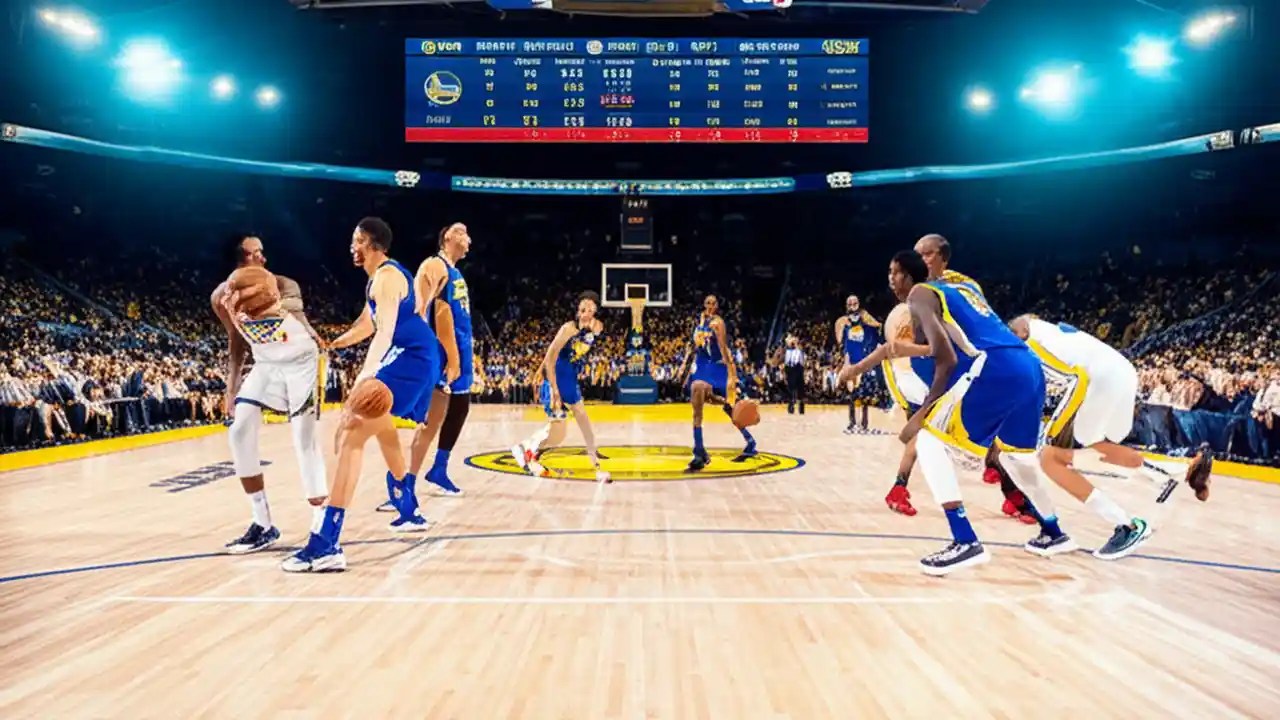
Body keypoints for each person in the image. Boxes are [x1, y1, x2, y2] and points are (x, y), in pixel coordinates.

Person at [889, 249, 1072, 575]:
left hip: (995, 368)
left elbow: (947, 360)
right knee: (1017, 459)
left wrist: (923, 413)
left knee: (929, 442)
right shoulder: (965, 289)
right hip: (1027, 365)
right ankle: (1054, 531)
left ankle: (965, 540)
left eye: (895, 272)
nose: (892, 279)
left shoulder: (920, 295)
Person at [283, 217, 439, 573]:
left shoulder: (386, 279)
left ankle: (327, 544)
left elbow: (383, 336)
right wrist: (336, 342)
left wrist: (363, 380)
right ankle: (409, 508)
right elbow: (367, 325)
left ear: (372, 244)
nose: (351, 246)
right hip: (411, 354)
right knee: (381, 430)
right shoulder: (380, 279)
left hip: (412, 357)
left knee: (354, 425)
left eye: (357, 240)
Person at [1009, 315, 1213, 559]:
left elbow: (1075, 379)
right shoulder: (1055, 332)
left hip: (1103, 380)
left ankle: (1130, 526)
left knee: (1052, 457)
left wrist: (1050, 432)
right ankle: (1176, 470)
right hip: (1123, 372)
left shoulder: (1034, 344)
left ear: (1022, 332)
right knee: (1101, 446)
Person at [212, 234, 327, 554]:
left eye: (263, 252)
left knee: (304, 439)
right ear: (240, 258)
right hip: (265, 363)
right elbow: (237, 344)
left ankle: (322, 524)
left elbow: (297, 320)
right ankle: (263, 524)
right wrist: (230, 390)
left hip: (301, 361)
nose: (263, 258)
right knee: (239, 431)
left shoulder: (283, 284)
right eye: (256, 253)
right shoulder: (220, 297)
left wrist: (269, 304)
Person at [376, 221, 472, 510]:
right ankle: (401, 483)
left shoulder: (455, 272)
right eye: (461, 231)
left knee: (458, 409)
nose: (468, 237)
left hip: (458, 351)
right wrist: (452, 358)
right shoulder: (435, 265)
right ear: (447, 238)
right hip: (444, 354)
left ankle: (435, 470)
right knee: (429, 422)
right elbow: (437, 313)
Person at [511, 291, 611, 483]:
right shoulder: (568, 329)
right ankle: (526, 448)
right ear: (577, 309)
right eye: (583, 305)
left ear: (595, 310)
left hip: (571, 379)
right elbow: (551, 356)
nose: (586, 309)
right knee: (561, 432)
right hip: (556, 379)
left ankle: (595, 464)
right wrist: (553, 387)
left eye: (591, 306)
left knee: (577, 426)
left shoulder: (597, 328)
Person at [679, 294, 756, 471]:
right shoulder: (700, 320)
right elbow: (694, 347)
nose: (710, 306)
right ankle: (699, 451)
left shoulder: (718, 323)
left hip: (715, 365)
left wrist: (732, 375)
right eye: (708, 303)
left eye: (713, 303)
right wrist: (685, 366)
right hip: (700, 364)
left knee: (726, 405)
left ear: (717, 306)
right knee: (698, 403)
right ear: (704, 304)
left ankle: (748, 440)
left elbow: (723, 348)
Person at [834, 295, 882, 433]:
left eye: (855, 303)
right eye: (850, 303)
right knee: (852, 393)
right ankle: (852, 423)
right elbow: (843, 344)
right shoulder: (844, 324)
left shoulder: (865, 321)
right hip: (851, 361)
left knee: (864, 394)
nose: (853, 305)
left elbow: (876, 329)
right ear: (847, 305)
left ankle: (864, 424)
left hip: (863, 361)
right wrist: (846, 361)